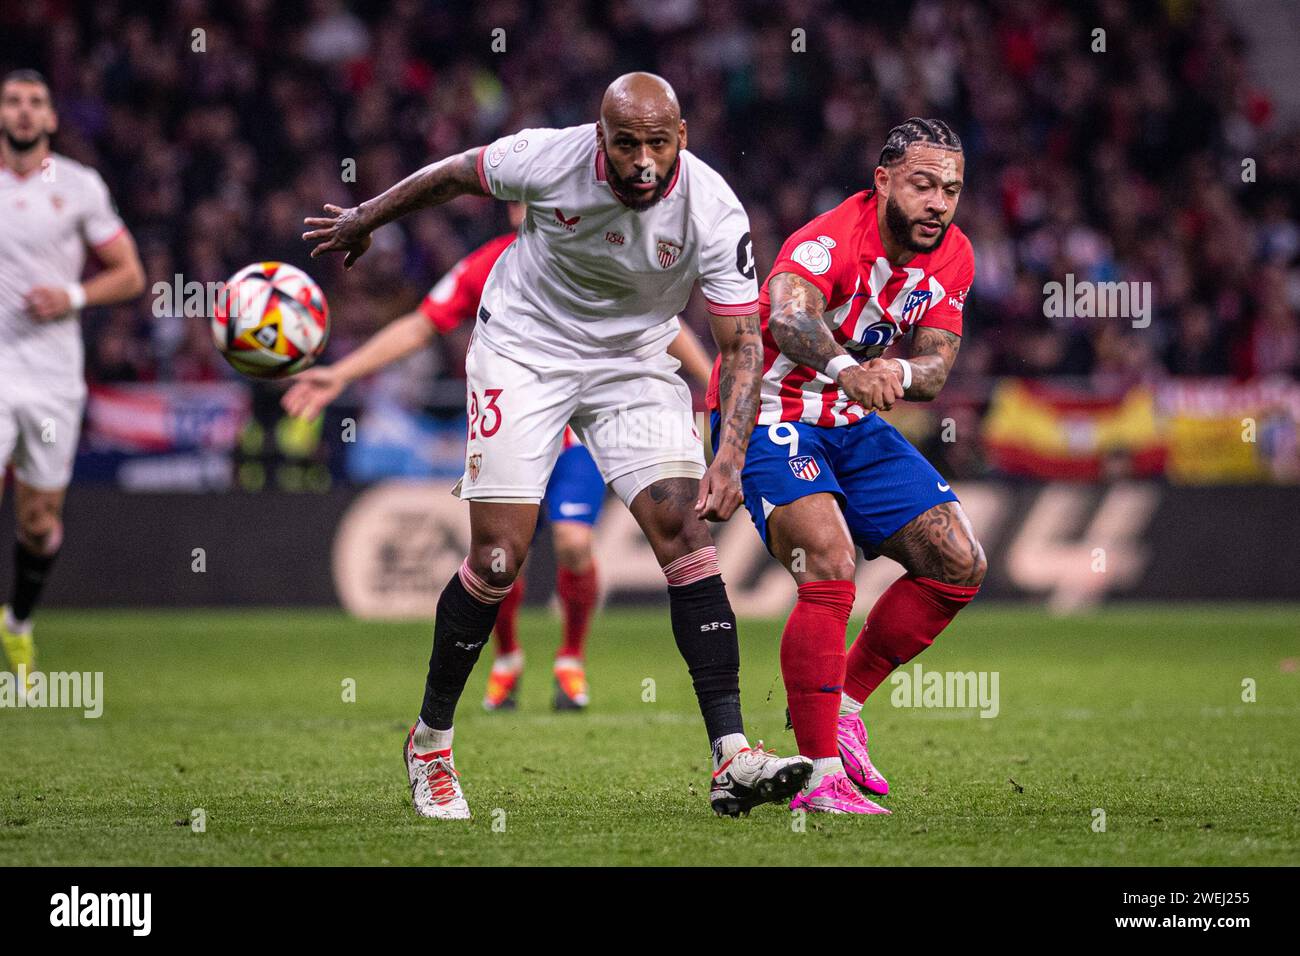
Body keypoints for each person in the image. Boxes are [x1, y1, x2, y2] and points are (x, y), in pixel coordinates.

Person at [304, 72, 811, 819]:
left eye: (659, 144)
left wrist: (729, 455)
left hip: (634, 365)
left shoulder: (714, 209)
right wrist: (366, 217)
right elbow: (450, 176)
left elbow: (740, 348)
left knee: (684, 533)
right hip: (523, 353)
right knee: (500, 558)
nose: (643, 162)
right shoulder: (545, 158)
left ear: (683, 139)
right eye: (627, 143)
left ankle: (732, 757)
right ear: (598, 136)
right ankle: (431, 743)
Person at [282, 202, 716, 713]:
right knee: (500, 559)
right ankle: (508, 658)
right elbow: (421, 325)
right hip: (511, 432)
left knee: (575, 544)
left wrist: (711, 384)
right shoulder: (486, 264)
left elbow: (660, 324)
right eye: (516, 198)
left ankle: (570, 660)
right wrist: (342, 374)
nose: (525, 206)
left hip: (574, 440)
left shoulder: (602, 253)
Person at [706, 118, 986, 814]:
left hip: (848, 419)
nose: (938, 203)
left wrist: (896, 368)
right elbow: (785, 318)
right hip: (773, 413)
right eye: (923, 185)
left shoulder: (954, 255)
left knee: (958, 561)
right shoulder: (830, 239)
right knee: (829, 560)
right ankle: (818, 772)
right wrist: (846, 367)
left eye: (950, 189)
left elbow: (935, 367)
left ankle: (849, 709)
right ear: (884, 180)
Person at [0, 70, 145, 690]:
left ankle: (19, 623)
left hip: (54, 377)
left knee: (37, 523)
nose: (25, 112)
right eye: (13, 101)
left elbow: (132, 274)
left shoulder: (79, 186)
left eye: (36, 103)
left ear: (53, 119)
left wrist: (74, 293)